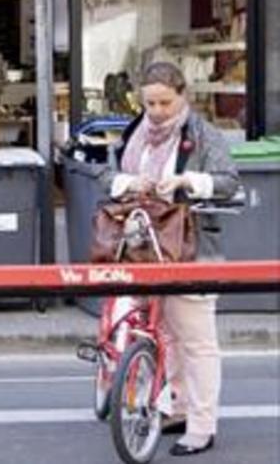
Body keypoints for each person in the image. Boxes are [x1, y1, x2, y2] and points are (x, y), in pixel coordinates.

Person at [102, 61, 239, 457]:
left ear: (183, 97)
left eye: (165, 102)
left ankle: (201, 426)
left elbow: (229, 182)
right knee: (162, 335)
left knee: (196, 341)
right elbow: (106, 176)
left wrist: (186, 182)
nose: (157, 111)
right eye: (150, 104)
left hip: (192, 248)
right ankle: (175, 407)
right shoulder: (135, 134)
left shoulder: (203, 134)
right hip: (142, 245)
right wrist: (129, 183)